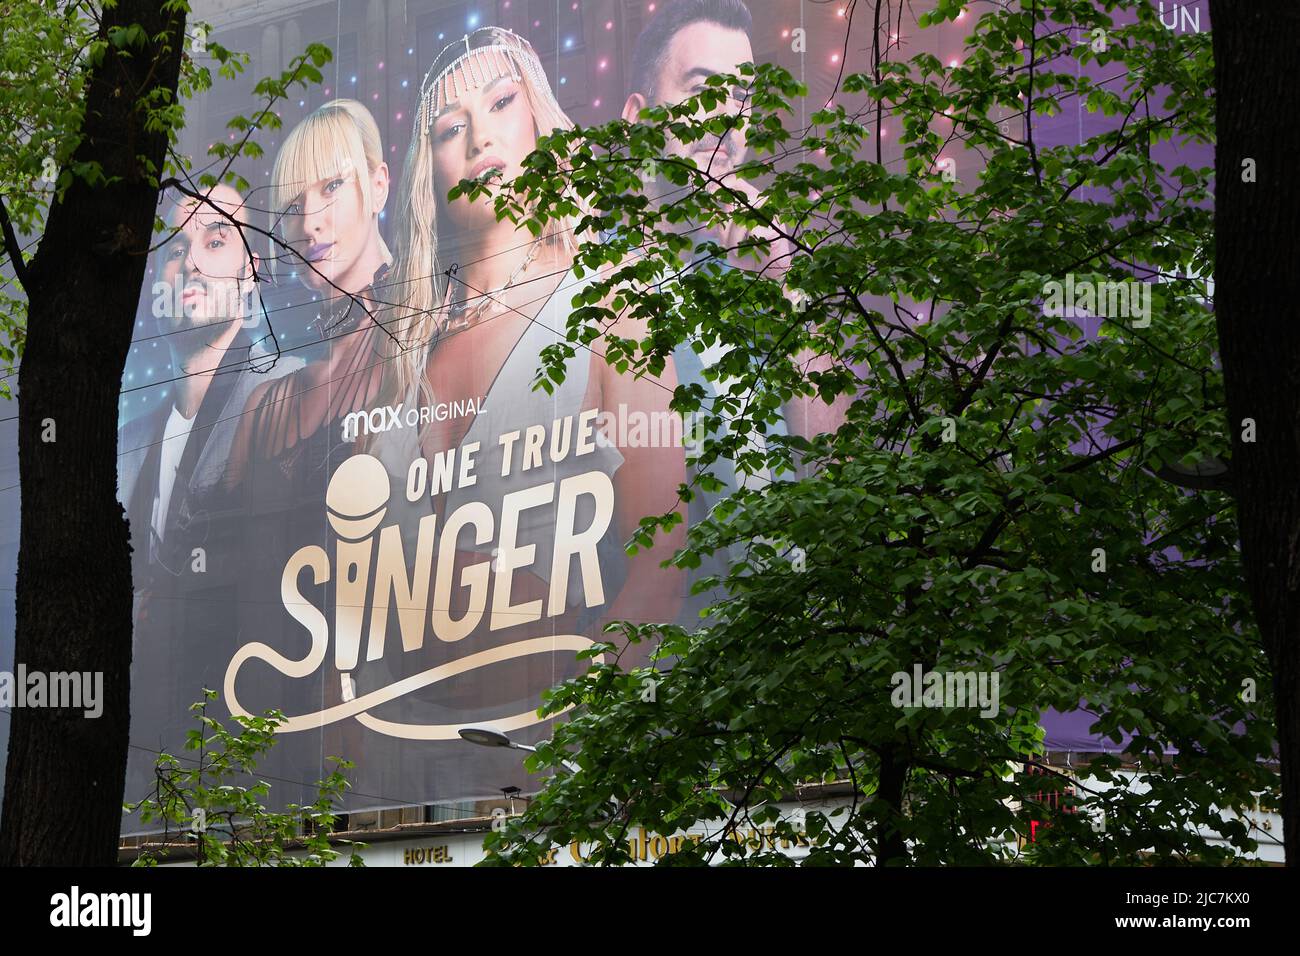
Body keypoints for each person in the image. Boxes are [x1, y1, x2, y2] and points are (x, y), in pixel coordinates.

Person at [353, 26, 687, 747]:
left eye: (502, 102)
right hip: (397, 759)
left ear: (538, 117)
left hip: (546, 746)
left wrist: (585, 727)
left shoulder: (610, 302)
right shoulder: (402, 350)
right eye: (451, 127)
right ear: (430, 169)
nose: (479, 139)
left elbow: (665, 558)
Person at [225, 99, 394, 485]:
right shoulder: (261, 408)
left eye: (332, 186)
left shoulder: (433, 330)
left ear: (378, 186)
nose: (309, 223)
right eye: (291, 207)